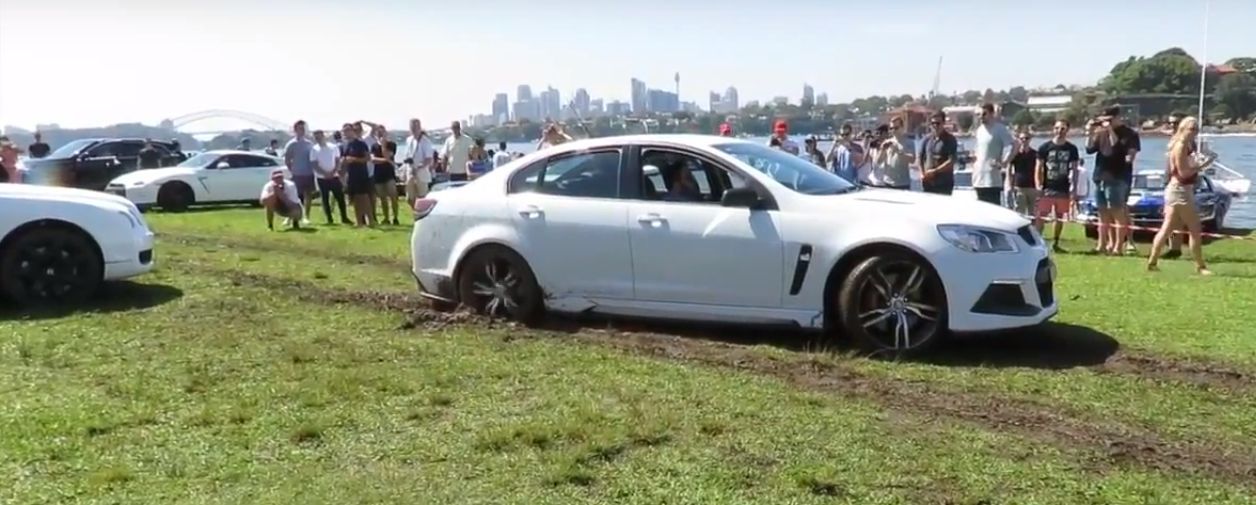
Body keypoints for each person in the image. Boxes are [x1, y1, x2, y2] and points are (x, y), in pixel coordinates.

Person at [1147, 117, 1211, 275]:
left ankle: (1152, 261)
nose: (1195, 132)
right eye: (1192, 129)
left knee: (1167, 227)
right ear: (1183, 129)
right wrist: (1202, 165)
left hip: (1177, 189)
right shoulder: (1180, 146)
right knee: (1195, 228)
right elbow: (1183, 173)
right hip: (1180, 190)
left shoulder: (1181, 144)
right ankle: (1200, 266)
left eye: (1196, 129)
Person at [1086, 105, 1140, 255]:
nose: (1106, 123)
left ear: (1117, 118)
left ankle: (1118, 246)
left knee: (1118, 212)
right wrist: (1090, 132)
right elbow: (1090, 149)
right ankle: (1102, 245)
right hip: (1100, 176)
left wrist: (1110, 130)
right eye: (1104, 120)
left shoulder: (1129, 135)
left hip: (1118, 177)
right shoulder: (1100, 133)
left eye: (1110, 120)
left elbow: (1117, 148)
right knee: (1102, 213)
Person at [1034, 120, 1080, 251]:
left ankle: (1056, 243)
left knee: (1059, 217)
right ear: (1053, 129)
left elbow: (1075, 169)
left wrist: (1074, 188)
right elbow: (1038, 167)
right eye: (1057, 128)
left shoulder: (1072, 149)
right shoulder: (1045, 147)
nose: (1059, 131)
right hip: (1047, 187)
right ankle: (1038, 242)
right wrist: (1038, 185)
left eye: (1063, 129)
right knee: (1041, 216)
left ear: (1067, 131)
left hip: (1063, 188)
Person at [972, 103, 1016, 206]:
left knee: (993, 210)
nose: (981, 117)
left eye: (984, 114)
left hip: (992, 179)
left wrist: (1004, 162)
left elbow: (1015, 145)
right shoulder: (979, 130)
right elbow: (979, 151)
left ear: (992, 114)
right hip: (979, 178)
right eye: (979, 115)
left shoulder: (1000, 129)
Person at [310, 130, 350, 225]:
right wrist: (324, 173)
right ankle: (329, 219)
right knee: (325, 199)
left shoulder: (333, 147)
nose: (318, 138)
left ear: (323, 136)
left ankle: (344, 218)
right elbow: (314, 164)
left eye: (319, 136)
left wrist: (333, 172)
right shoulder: (314, 149)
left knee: (340, 197)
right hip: (321, 178)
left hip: (334, 176)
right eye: (316, 137)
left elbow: (337, 160)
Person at [339, 123, 375, 227]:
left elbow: (367, 158)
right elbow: (345, 160)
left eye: (347, 131)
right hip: (351, 176)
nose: (345, 133)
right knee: (354, 199)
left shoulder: (360, 144)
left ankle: (371, 221)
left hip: (361, 174)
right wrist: (342, 172)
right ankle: (359, 221)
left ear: (352, 131)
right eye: (344, 131)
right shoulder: (346, 145)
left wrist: (354, 159)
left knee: (364, 198)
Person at [283, 120, 316, 225]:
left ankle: (306, 216)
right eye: (299, 128)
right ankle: (292, 216)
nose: (301, 130)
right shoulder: (291, 144)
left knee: (308, 196)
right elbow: (287, 159)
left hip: (309, 173)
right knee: (296, 197)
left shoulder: (309, 143)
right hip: (297, 174)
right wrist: (292, 171)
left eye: (303, 128)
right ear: (295, 130)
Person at [918, 112, 958, 195]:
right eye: (933, 123)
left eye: (938, 123)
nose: (935, 126)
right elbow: (920, 158)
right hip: (928, 183)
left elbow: (951, 160)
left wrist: (935, 171)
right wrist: (922, 174)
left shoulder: (950, 139)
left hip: (943, 184)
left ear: (943, 123)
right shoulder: (926, 139)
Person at [371, 125, 400, 225]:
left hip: (389, 174)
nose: (380, 134)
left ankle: (395, 217)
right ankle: (386, 218)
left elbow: (388, 155)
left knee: (393, 196)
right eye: (378, 132)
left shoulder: (391, 144)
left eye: (382, 132)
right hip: (378, 174)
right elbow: (373, 160)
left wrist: (383, 146)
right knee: (382, 198)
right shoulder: (374, 146)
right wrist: (386, 161)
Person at [404, 118, 436, 207]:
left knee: (422, 198)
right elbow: (407, 156)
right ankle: (414, 215)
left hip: (421, 173)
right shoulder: (409, 140)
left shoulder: (425, 141)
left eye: (416, 126)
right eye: (412, 127)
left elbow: (428, 159)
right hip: (410, 172)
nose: (414, 129)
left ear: (420, 127)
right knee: (410, 198)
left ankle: (423, 216)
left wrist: (418, 167)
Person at [1007, 132, 1038, 216]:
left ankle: (1033, 228)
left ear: (1030, 139)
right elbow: (1009, 169)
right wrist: (1010, 185)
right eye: (1022, 139)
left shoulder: (1035, 154)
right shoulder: (1015, 155)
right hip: (1019, 187)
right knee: (1020, 212)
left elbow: (1040, 169)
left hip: (1032, 187)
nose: (1024, 140)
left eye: (1026, 138)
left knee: (1033, 213)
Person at [879, 116, 914, 190]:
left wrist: (899, 152)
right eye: (891, 128)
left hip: (902, 183)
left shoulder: (909, 142)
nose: (893, 130)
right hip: (887, 182)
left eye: (896, 128)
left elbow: (912, 160)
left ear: (902, 128)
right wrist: (882, 150)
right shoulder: (887, 142)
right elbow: (879, 162)